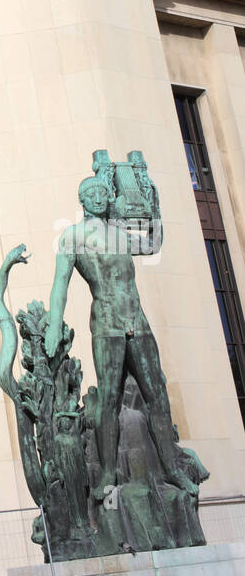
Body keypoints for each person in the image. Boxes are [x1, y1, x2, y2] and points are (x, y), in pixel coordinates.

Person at [45, 170, 197, 500]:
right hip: (107, 321)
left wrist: (152, 199)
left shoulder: (120, 234)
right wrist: (54, 325)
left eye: (102, 192)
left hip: (136, 319)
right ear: (82, 200)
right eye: (91, 193)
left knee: (156, 391)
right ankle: (109, 476)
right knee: (109, 398)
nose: (99, 197)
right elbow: (60, 286)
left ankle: (171, 468)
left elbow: (154, 242)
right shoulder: (72, 236)